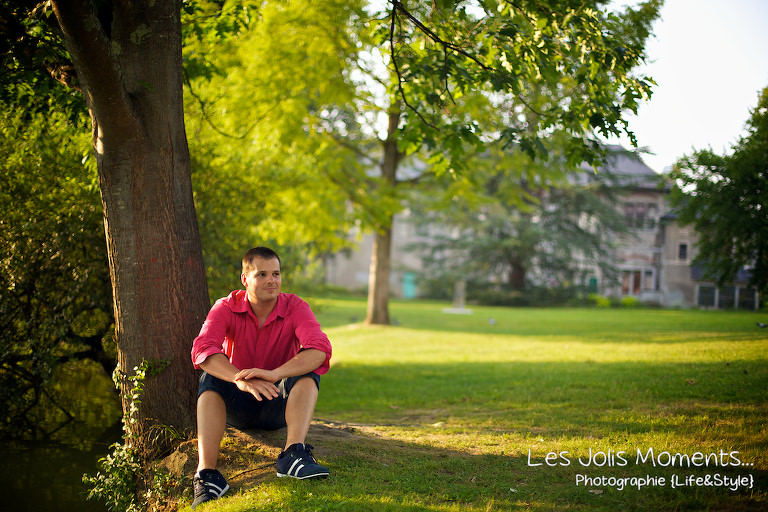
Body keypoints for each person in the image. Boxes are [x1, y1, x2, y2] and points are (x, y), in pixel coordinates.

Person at [189, 247, 332, 509]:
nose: (271, 280)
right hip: (237, 404)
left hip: (278, 403)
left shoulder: (295, 306)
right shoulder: (225, 307)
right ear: (245, 279)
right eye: (262, 274)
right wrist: (238, 378)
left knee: (308, 370)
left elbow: (319, 350)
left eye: (276, 274)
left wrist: (275, 373)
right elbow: (203, 350)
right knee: (210, 377)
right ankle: (208, 475)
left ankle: (293, 455)